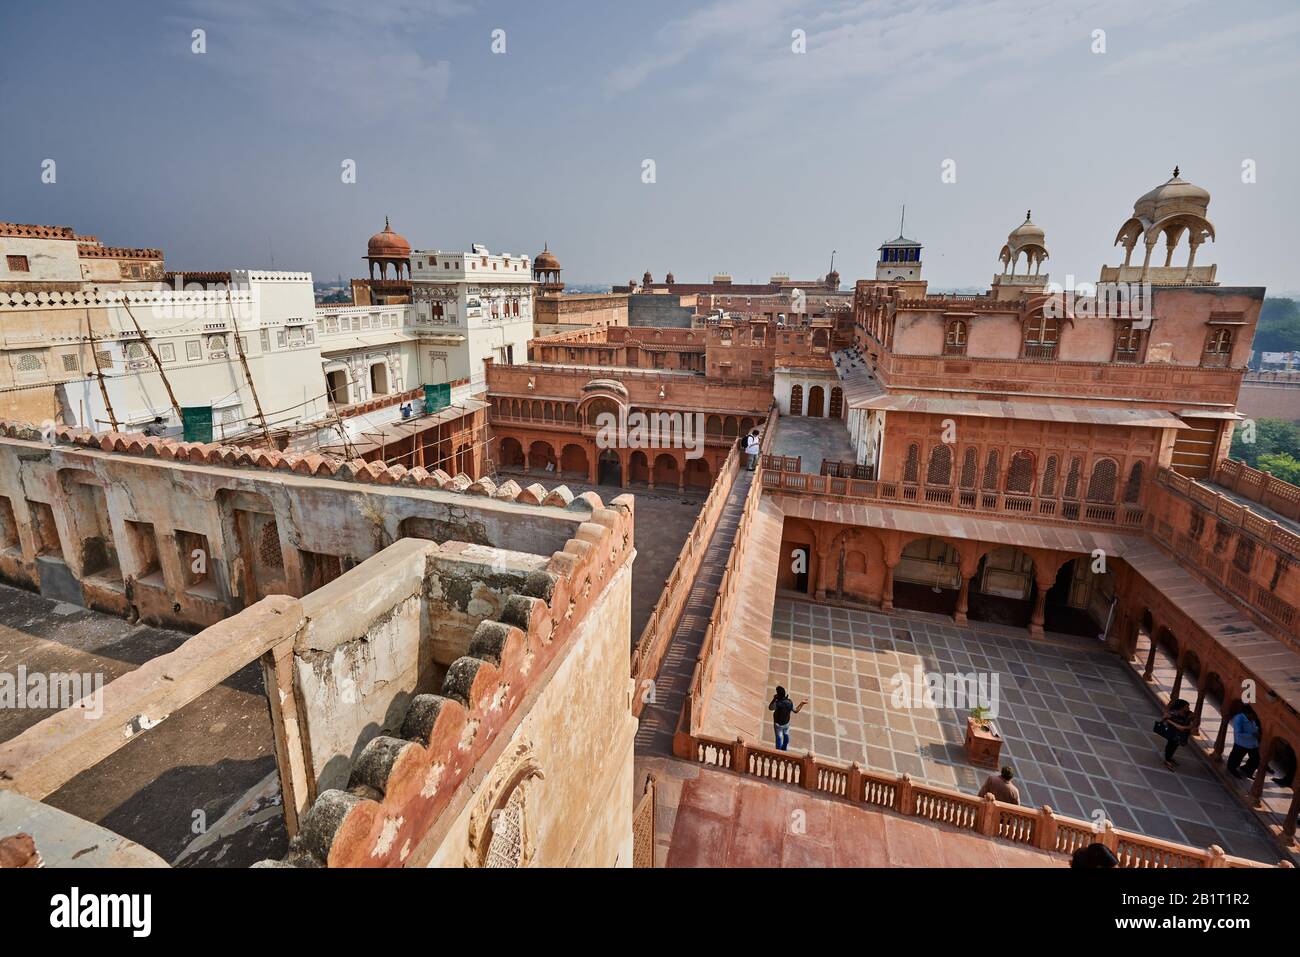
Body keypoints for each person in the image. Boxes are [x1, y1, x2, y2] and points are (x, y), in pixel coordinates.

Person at [1227, 705, 1261, 780]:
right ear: (1248, 713)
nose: (1255, 717)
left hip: (1252, 743)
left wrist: (1256, 732)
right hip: (1241, 743)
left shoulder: (1252, 718)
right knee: (1236, 758)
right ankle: (1232, 769)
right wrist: (1251, 735)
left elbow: (1254, 727)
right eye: (1253, 715)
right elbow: (1238, 733)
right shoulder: (1238, 718)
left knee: (1256, 760)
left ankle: (1247, 770)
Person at [1159, 698, 1194, 770]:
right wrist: (1177, 726)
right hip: (1173, 732)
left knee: (1176, 745)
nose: (1188, 708)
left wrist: (1185, 727)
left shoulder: (1189, 714)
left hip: (1182, 733)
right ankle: (1167, 760)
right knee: (1170, 745)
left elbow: (1192, 723)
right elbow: (1165, 719)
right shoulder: (1173, 713)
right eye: (1186, 707)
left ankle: (1170, 757)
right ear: (1181, 707)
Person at [768, 686, 806, 751]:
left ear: (778, 694)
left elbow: (770, 708)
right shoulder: (789, 702)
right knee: (786, 736)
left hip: (778, 725)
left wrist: (774, 699)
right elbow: (796, 710)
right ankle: (784, 749)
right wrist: (802, 703)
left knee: (779, 738)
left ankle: (778, 752)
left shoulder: (777, 704)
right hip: (786, 724)